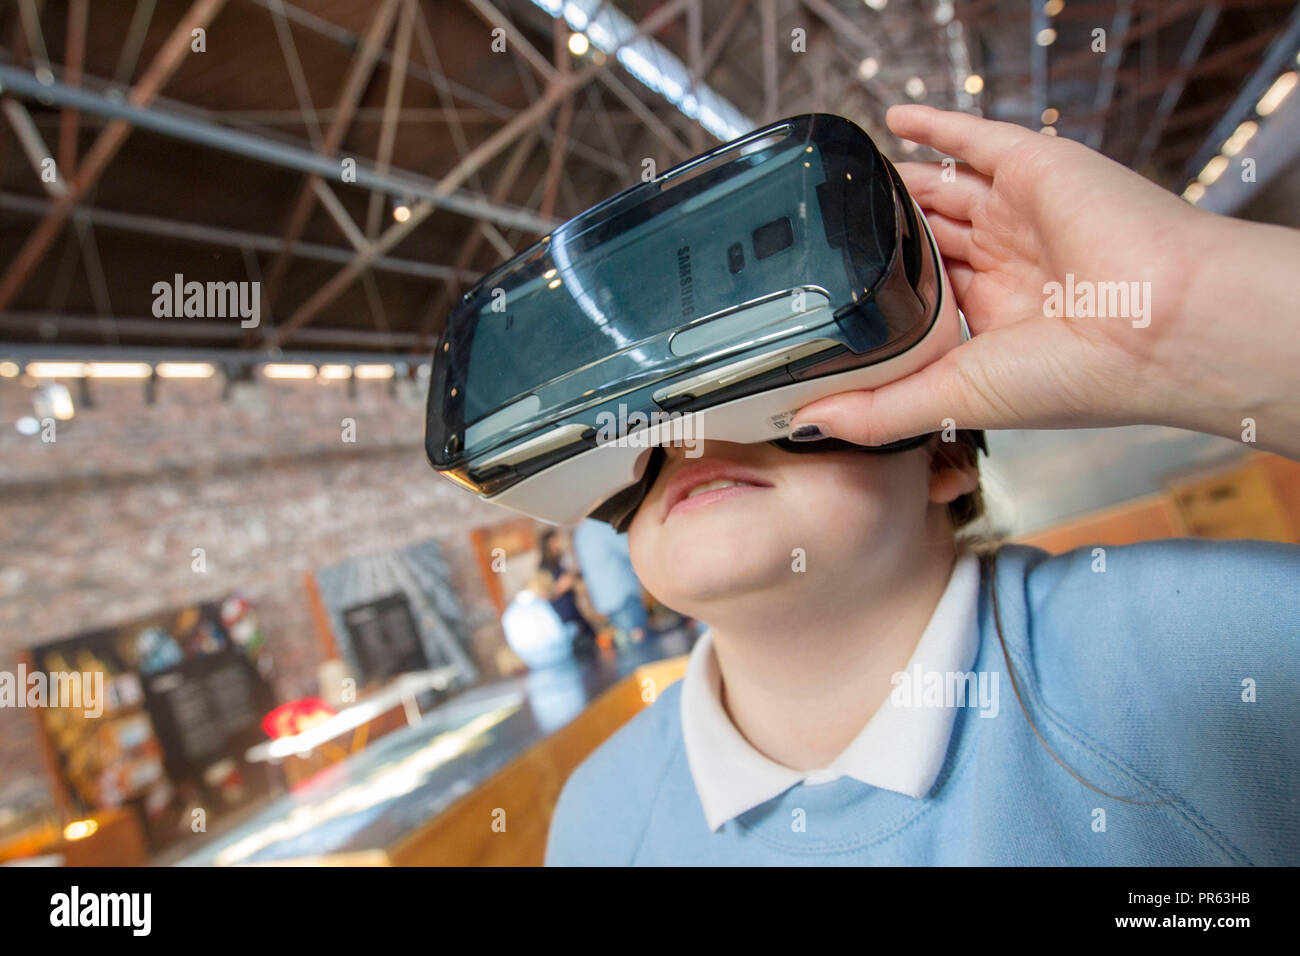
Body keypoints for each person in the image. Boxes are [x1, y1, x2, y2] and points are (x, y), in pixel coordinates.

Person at [545, 105, 1300, 865]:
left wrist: (1178, 314)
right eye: (653, 423)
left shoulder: (1204, 659)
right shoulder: (597, 819)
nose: (690, 432)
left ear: (945, 458)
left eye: (776, 387)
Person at [572, 518, 649, 647]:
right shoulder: (603, 526)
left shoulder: (580, 533)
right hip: (623, 594)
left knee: (627, 645)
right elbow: (630, 548)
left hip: (604, 599)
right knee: (638, 645)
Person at [537, 528, 599, 657]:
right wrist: (563, 584)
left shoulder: (558, 563)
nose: (559, 544)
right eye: (556, 540)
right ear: (549, 543)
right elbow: (544, 593)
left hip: (576, 615)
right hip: (567, 620)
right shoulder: (544, 567)